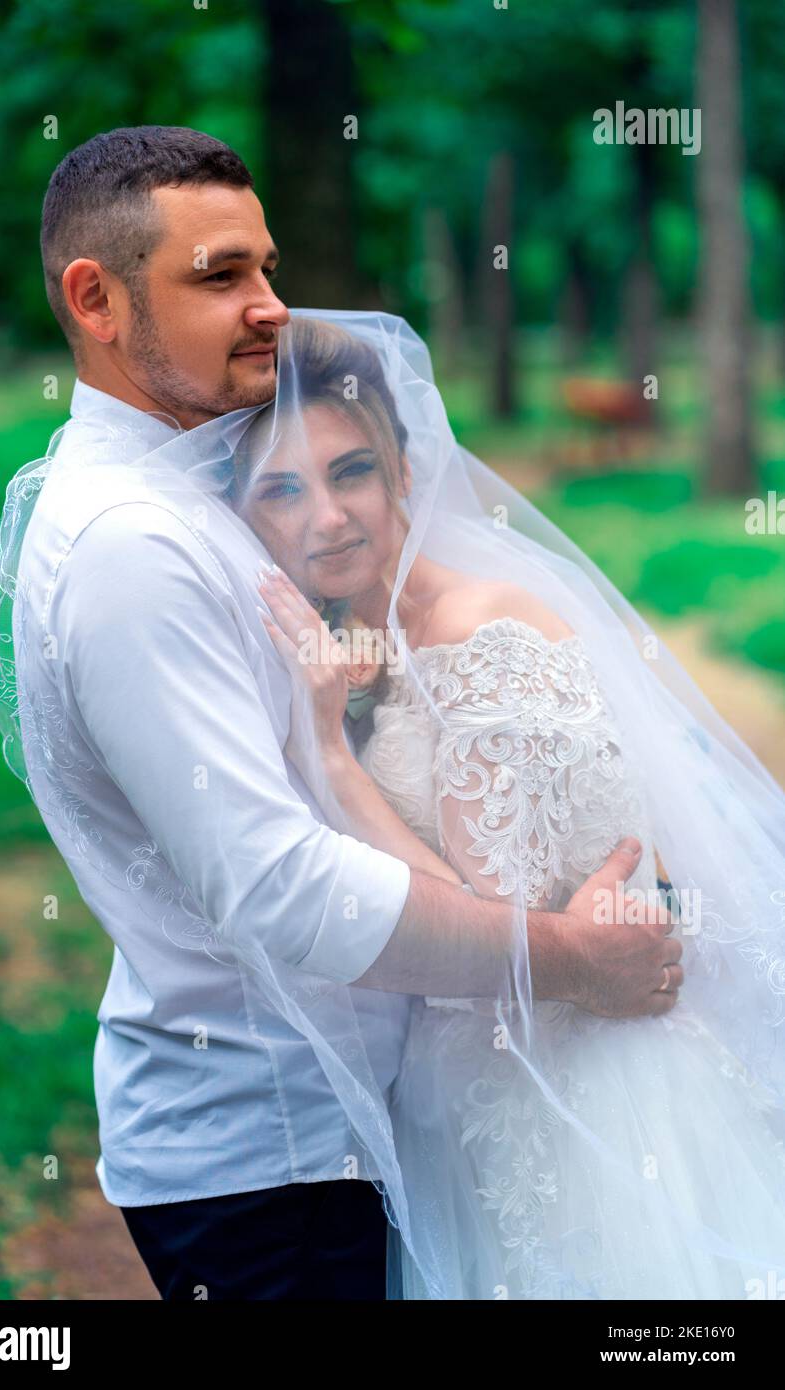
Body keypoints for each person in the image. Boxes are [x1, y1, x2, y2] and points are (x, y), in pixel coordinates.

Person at [0, 126, 681, 1303]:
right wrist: (565, 959)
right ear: (95, 301)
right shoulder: (128, 549)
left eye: (264, 267)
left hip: (352, 1125)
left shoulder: (198, 486)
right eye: (218, 277)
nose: (266, 305)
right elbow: (274, 884)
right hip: (272, 1158)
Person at [244, 315, 785, 1299]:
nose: (322, 517)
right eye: (282, 489)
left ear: (405, 474)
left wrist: (331, 752)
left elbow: (495, 935)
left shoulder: (480, 636)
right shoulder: (374, 647)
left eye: (350, 472)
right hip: (469, 1097)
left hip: (578, 1100)